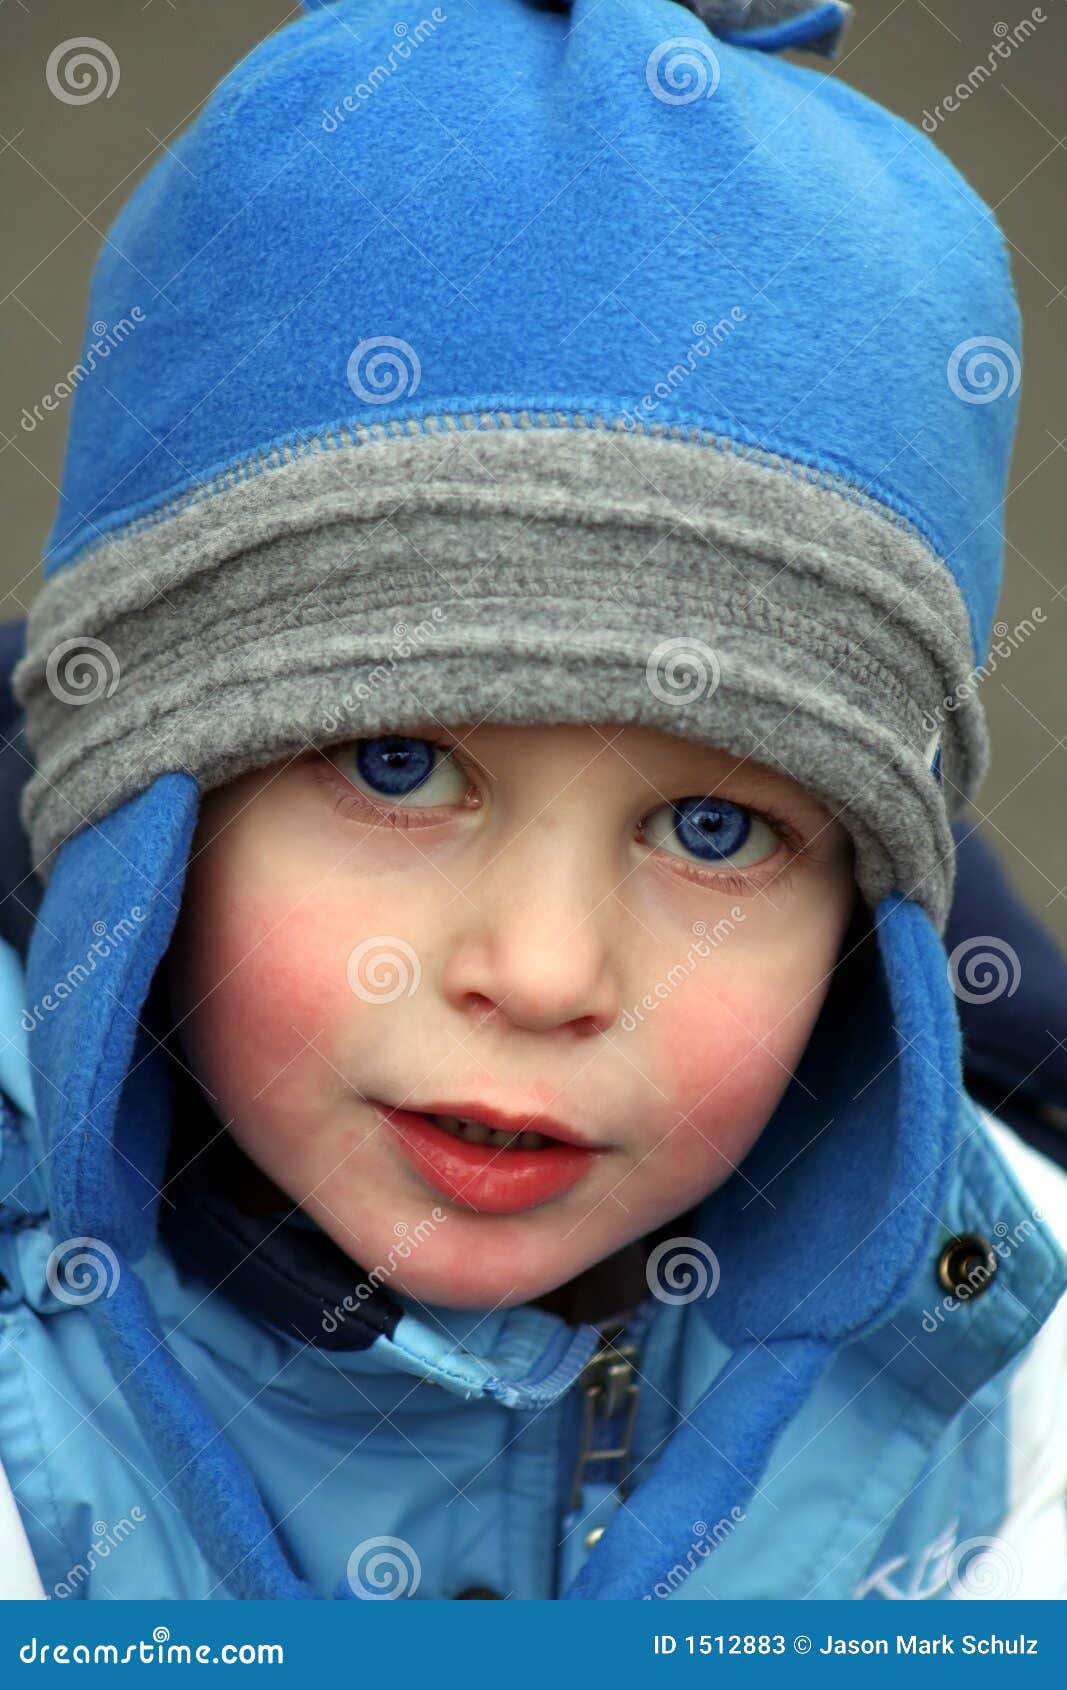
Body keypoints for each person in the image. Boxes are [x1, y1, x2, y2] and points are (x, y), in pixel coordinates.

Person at [1, 0, 1065, 1603]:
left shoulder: (1014, 1380)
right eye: (397, 765)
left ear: (866, 909)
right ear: (142, 811)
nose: (549, 971)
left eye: (716, 828)